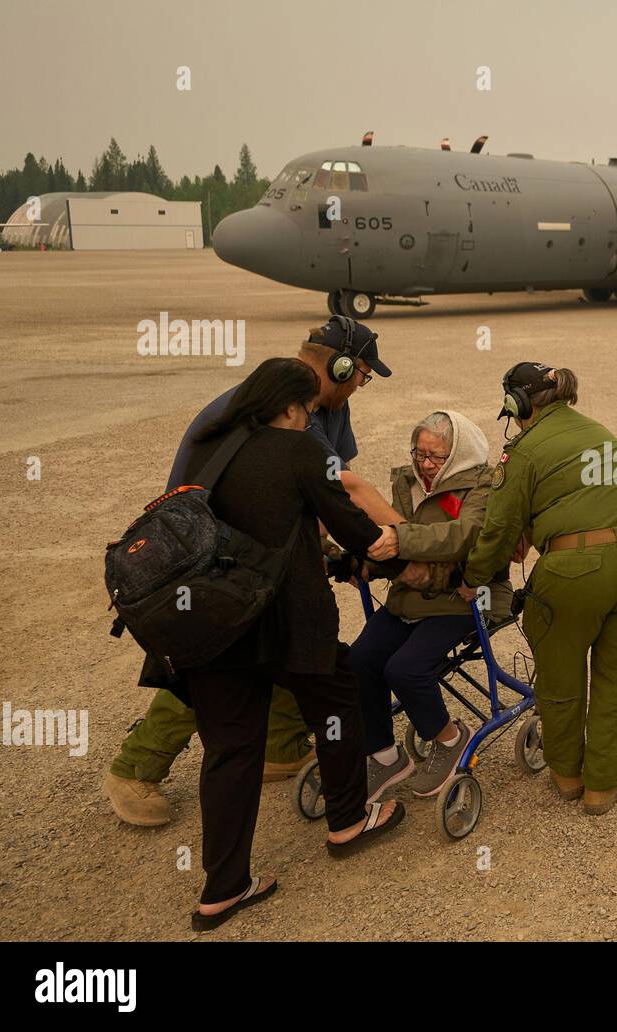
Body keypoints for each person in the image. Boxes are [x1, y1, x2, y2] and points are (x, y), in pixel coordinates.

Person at [103, 317, 399, 826]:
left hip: (270, 552)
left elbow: (318, 491)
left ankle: (282, 746)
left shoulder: (329, 405)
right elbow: (346, 487)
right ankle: (136, 769)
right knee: (224, 662)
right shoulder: (264, 403)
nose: (360, 387)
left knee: (294, 645)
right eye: (362, 375)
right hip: (213, 559)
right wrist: (410, 541)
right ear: (341, 366)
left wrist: (327, 549)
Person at [146, 357, 405, 931]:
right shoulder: (297, 450)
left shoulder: (209, 447)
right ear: (290, 406)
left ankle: (222, 889)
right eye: (308, 409)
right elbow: (352, 527)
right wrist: (387, 543)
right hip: (284, 622)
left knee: (231, 751)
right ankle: (347, 822)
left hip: (212, 625)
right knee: (337, 701)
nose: (309, 418)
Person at [457, 363, 617, 816]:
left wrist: (472, 580)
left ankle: (567, 777)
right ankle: (604, 787)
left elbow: (498, 530)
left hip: (575, 573)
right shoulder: (600, 432)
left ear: (516, 405)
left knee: (561, 676)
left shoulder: (523, 452)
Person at [350, 411, 513, 802]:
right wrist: (364, 560)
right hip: (410, 596)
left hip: (463, 598)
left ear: (458, 453)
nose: (424, 464)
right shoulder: (406, 482)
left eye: (436, 457)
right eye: (419, 453)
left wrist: (397, 540)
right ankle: (386, 757)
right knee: (357, 662)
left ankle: (451, 738)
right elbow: (389, 541)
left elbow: (462, 536)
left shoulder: (484, 484)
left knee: (405, 668)